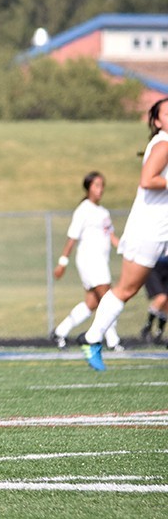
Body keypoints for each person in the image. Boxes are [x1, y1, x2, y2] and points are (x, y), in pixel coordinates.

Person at [80, 97, 168, 370]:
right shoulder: (164, 142)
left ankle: (92, 338)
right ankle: (92, 338)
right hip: (150, 230)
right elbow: (147, 180)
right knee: (126, 289)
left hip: (160, 229)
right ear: (156, 121)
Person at [49, 172, 121, 350]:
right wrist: (62, 262)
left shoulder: (103, 212)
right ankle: (113, 341)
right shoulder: (83, 210)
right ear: (88, 188)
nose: (100, 189)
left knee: (92, 303)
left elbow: (112, 237)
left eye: (102, 185)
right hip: (90, 260)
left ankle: (60, 332)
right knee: (108, 299)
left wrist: (130, 250)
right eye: (96, 185)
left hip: (101, 262)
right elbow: (72, 238)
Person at [138, 254, 168, 343]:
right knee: (161, 298)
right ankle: (147, 326)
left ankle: (159, 333)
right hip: (154, 267)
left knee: (166, 304)